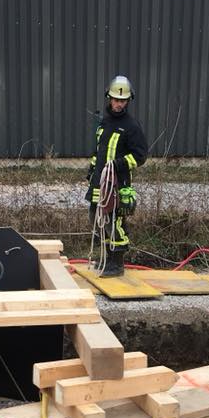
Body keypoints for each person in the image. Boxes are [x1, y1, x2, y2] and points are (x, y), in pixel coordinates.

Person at [85, 75, 148, 277]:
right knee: (97, 217)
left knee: (114, 222)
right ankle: (105, 259)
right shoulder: (104, 123)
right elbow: (99, 150)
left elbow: (140, 156)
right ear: (109, 98)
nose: (119, 103)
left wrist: (119, 164)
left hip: (117, 183)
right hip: (99, 182)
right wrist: (91, 169)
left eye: (123, 100)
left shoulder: (132, 126)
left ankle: (117, 264)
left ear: (128, 101)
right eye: (115, 99)